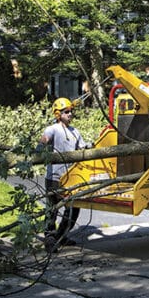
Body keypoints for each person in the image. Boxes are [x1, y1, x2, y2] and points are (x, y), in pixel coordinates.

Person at [40, 97, 88, 249]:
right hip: (54, 177)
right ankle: (49, 237)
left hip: (71, 178)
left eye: (71, 111)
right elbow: (44, 140)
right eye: (66, 112)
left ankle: (61, 235)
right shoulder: (52, 129)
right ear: (57, 114)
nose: (70, 114)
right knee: (52, 209)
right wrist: (40, 147)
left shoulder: (75, 132)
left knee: (73, 208)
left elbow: (82, 148)